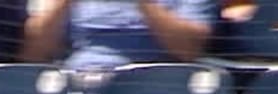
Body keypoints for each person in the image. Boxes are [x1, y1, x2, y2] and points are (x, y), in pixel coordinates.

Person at [22, 0, 215, 71]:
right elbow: (34, 53)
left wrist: (144, 4)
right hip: (78, 81)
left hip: (150, 85)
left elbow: (189, 51)